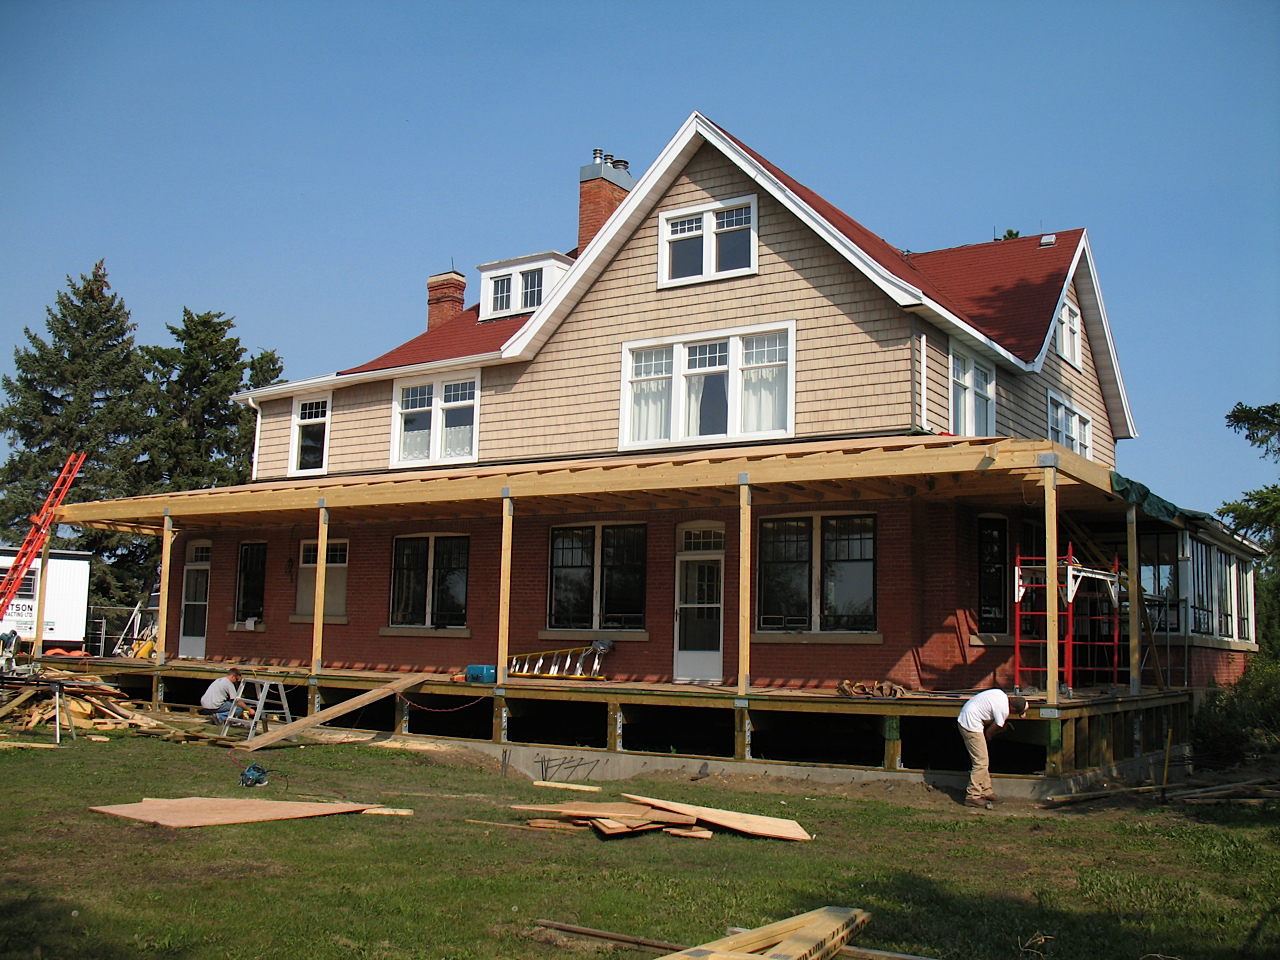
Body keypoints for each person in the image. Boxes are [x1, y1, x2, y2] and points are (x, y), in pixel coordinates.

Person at [957, 688, 1028, 809]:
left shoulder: (1000, 694)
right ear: (1013, 709)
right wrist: (998, 731)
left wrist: (1000, 725)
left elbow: (992, 714)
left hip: (968, 715)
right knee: (981, 762)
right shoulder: (1004, 711)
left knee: (983, 760)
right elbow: (989, 734)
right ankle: (972, 796)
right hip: (970, 724)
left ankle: (986, 791)